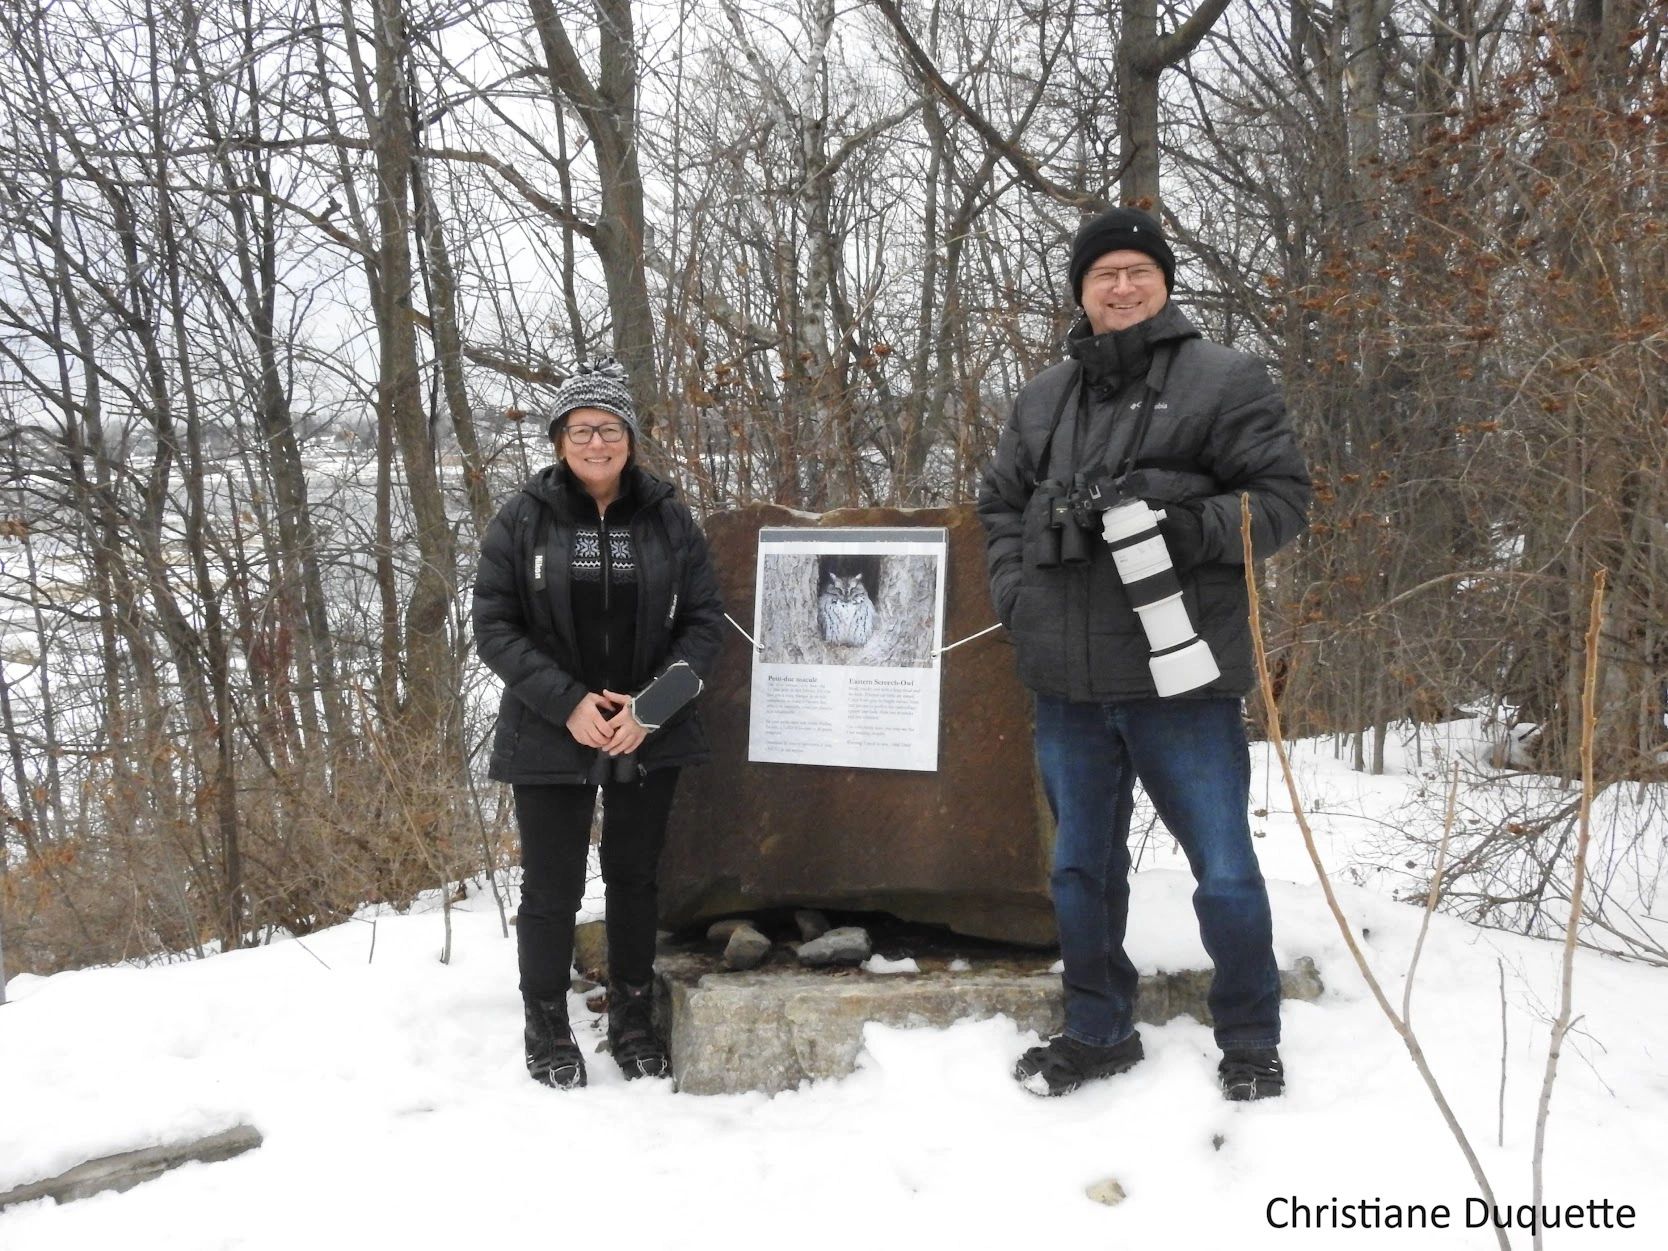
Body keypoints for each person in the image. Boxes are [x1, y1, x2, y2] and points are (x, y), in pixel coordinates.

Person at [977, 208, 1311, 1100]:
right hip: (1069, 682)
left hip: (1182, 672)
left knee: (1224, 868)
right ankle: (1096, 1027)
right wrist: (1017, 596)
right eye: (1103, 275)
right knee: (1080, 869)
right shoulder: (1043, 397)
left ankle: (1249, 1035)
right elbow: (1000, 507)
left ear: (1164, 283)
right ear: (1080, 292)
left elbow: (1280, 503)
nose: (1121, 287)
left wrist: (1178, 524)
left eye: (1137, 271)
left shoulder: (1224, 379)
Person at [473, 358, 724, 1089]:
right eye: (581, 429)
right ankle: (546, 1023)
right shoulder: (523, 517)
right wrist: (571, 703)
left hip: (650, 724)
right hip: (552, 723)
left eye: (610, 428)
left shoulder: (670, 517)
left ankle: (633, 1015)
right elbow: (494, 623)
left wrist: (649, 708)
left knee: (634, 877)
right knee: (551, 885)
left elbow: (705, 622)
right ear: (558, 440)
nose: (596, 441)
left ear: (631, 438)